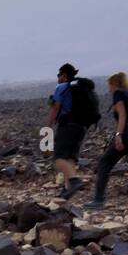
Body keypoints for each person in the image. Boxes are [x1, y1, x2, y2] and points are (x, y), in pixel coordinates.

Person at [83, 72, 128, 220]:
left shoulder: (118, 94)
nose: (108, 86)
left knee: (104, 163)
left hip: (127, 136)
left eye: (109, 83)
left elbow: (123, 115)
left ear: (115, 83)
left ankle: (99, 199)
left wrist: (118, 136)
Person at [47, 63, 87, 199]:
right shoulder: (80, 88)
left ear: (64, 75)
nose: (58, 78)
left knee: (58, 159)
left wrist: (49, 125)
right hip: (81, 127)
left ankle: (74, 181)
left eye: (59, 75)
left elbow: (55, 107)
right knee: (69, 158)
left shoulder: (61, 87)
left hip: (67, 126)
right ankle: (67, 190)